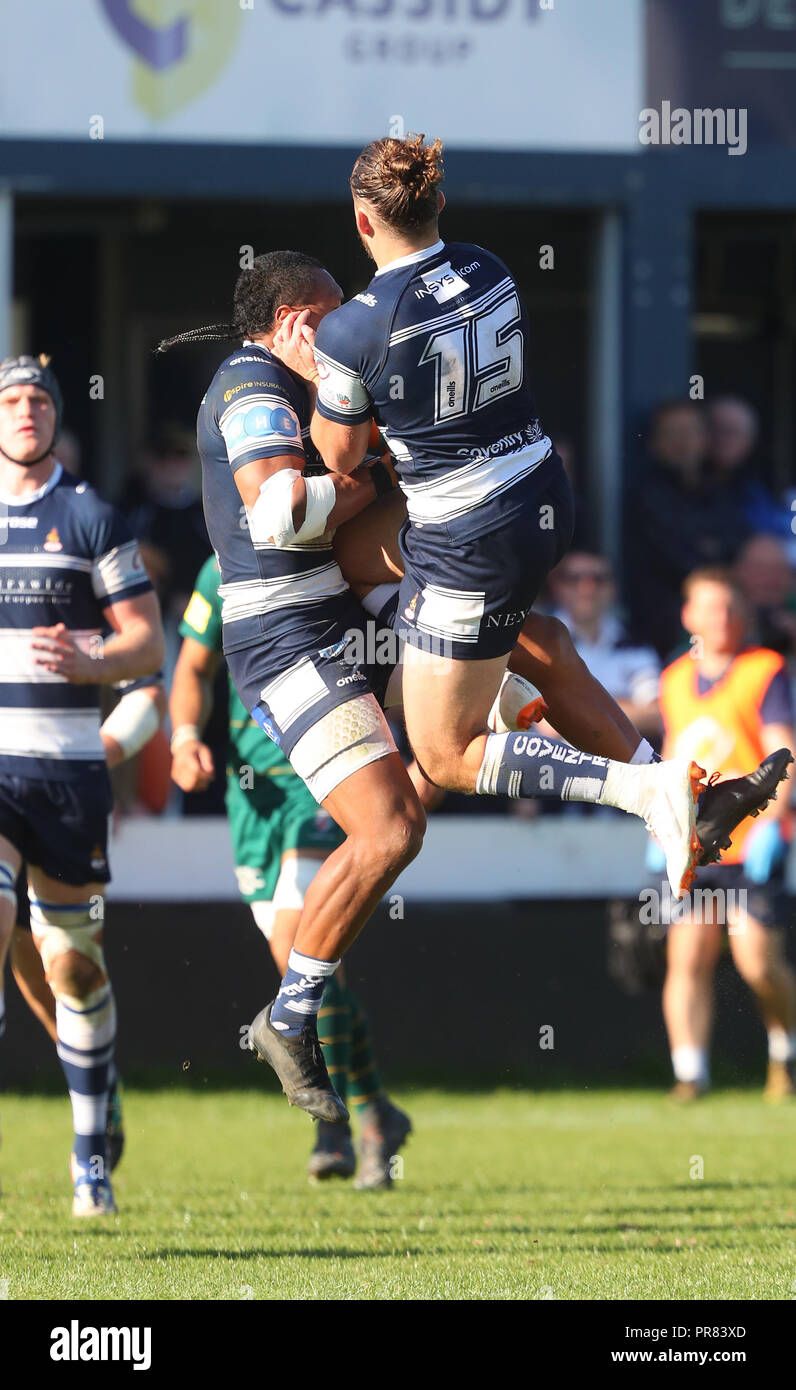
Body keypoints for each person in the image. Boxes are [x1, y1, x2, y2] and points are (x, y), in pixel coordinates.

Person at [160, 244, 789, 1120]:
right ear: (297, 323)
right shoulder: (250, 383)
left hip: (364, 605)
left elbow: (371, 502)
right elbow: (281, 513)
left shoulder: (326, 382)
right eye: (334, 317)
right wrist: (366, 477)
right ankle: (289, 1016)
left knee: (545, 644)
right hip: (290, 638)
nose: (348, 334)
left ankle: (679, 799)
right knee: (393, 825)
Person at [170, 554, 413, 1187]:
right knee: (312, 970)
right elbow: (192, 667)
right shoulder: (218, 571)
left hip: (325, 778)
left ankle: (338, 1126)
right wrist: (183, 736)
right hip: (254, 799)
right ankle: (375, 1111)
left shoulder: (338, 552)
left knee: (292, 945)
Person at [0, 354, 164, 1215]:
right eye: (11, 400)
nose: (25, 411)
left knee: (70, 970)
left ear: (58, 415)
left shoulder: (91, 517)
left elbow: (148, 647)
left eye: (38, 399)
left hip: (65, 777)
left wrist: (89, 655)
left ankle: (91, 1145)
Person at [10, 672, 167, 1170]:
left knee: (65, 969)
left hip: (60, 794)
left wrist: (96, 764)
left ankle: (96, 1086)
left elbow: (143, 684)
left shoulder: (82, 623)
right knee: (21, 950)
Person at [654, 569, 795, 1100]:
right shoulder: (674, 679)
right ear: (688, 616)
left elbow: (782, 754)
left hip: (751, 838)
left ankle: (785, 1052)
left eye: (732, 607)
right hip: (695, 843)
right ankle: (690, 1073)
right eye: (711, 608)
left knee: (757, 959)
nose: (723, 619)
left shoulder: (764, 669)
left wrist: (773, 826)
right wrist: (662, 825)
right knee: (687, 954)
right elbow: (673, 753)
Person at [625, 399, 750, 658]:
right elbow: (685, 559)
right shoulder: (646, 496)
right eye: (672, 433)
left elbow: (738, 546)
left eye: (691, 431)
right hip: (665, 633)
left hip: (726, 628)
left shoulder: (724, 491)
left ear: (706, 439)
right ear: (654, 443)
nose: (682, 442)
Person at [549, 551, 662, 743]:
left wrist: (577, 706)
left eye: (599, 579)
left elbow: (657, 716)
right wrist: (623, 706)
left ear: (613, 587)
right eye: (574, 579)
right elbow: (546, 723)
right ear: (556, 587)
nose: (587, 589)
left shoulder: (636, 645)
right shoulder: (538, 640)